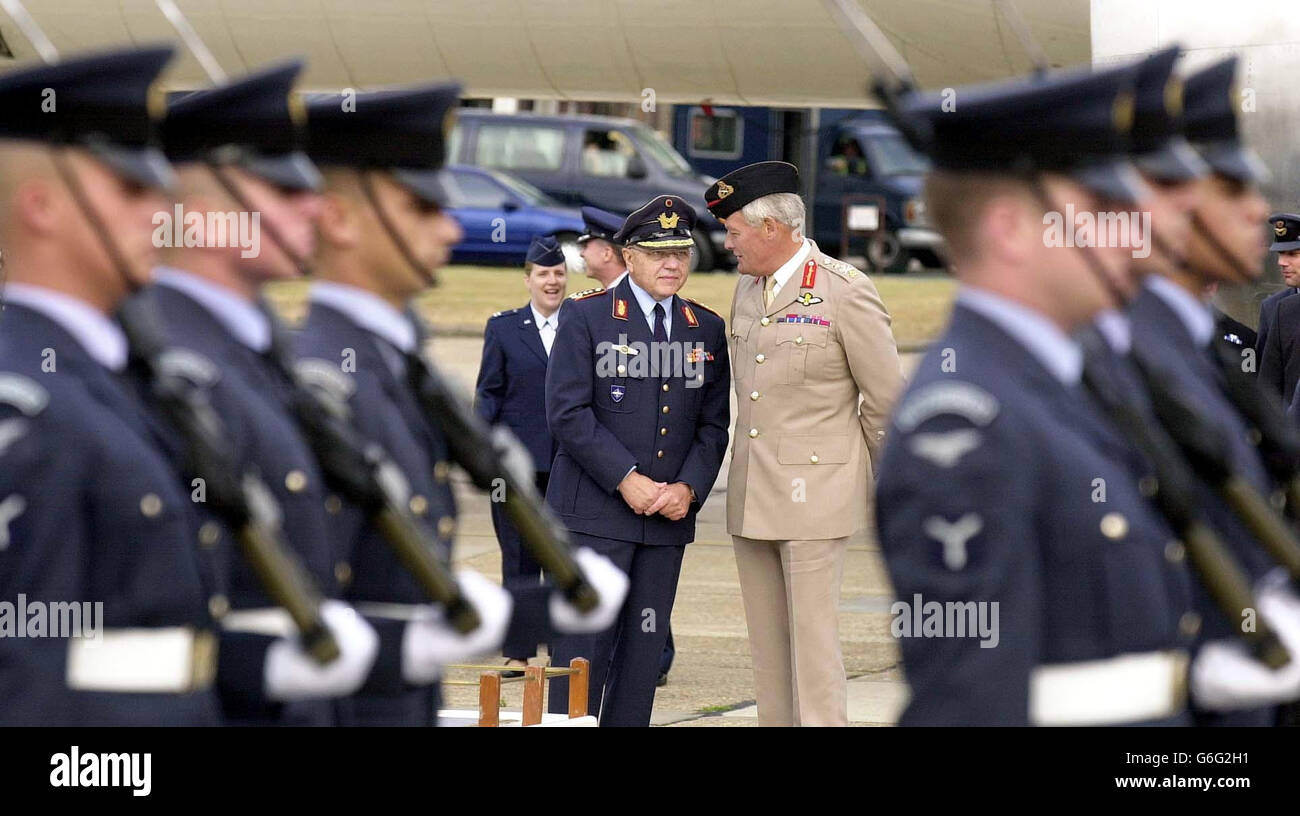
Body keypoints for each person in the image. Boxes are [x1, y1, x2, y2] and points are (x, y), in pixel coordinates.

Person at [299, 83, 627, 724]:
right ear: (339, 221)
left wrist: (530, 611)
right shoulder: (325, 375)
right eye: (421, 208)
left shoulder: (397, 357)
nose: (449, 228)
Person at [703, 161, 902, 726]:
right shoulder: (746, 287)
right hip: (751, 494)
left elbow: (886, 399)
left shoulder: (843, 290)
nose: (727, 243)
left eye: (734, 231)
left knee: (813, 653)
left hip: (816, 497)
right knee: (769, 653)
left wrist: (865, 479)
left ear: (772, 229)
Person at [544, 194, 731, 726]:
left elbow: (713, 424)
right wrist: (626, 479)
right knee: (581, 654)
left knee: (642, 658)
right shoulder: (587, 317)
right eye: (657, 253)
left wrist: (689, 489)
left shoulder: (705, 328)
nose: (672, 264)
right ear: (628, 257)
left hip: (665, 521)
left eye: (681, 253)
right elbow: (568, 412)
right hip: (596, 515)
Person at [475, 235, 567, 674]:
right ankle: (519, 648)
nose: (552, 282)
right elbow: (488, 394)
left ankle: (567, 645)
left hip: (571, 464)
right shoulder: (504, 328)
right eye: (544, 274)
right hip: (516, 467)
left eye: (559, 273)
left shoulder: (582, 323)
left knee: (565, 554)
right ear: (528, 279)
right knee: (518, 555)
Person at [1258, 213, 1300, 404]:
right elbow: (1267, 380)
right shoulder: (1274, 308)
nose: (1281, 262)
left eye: (1293, 254)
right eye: (1281, 254)